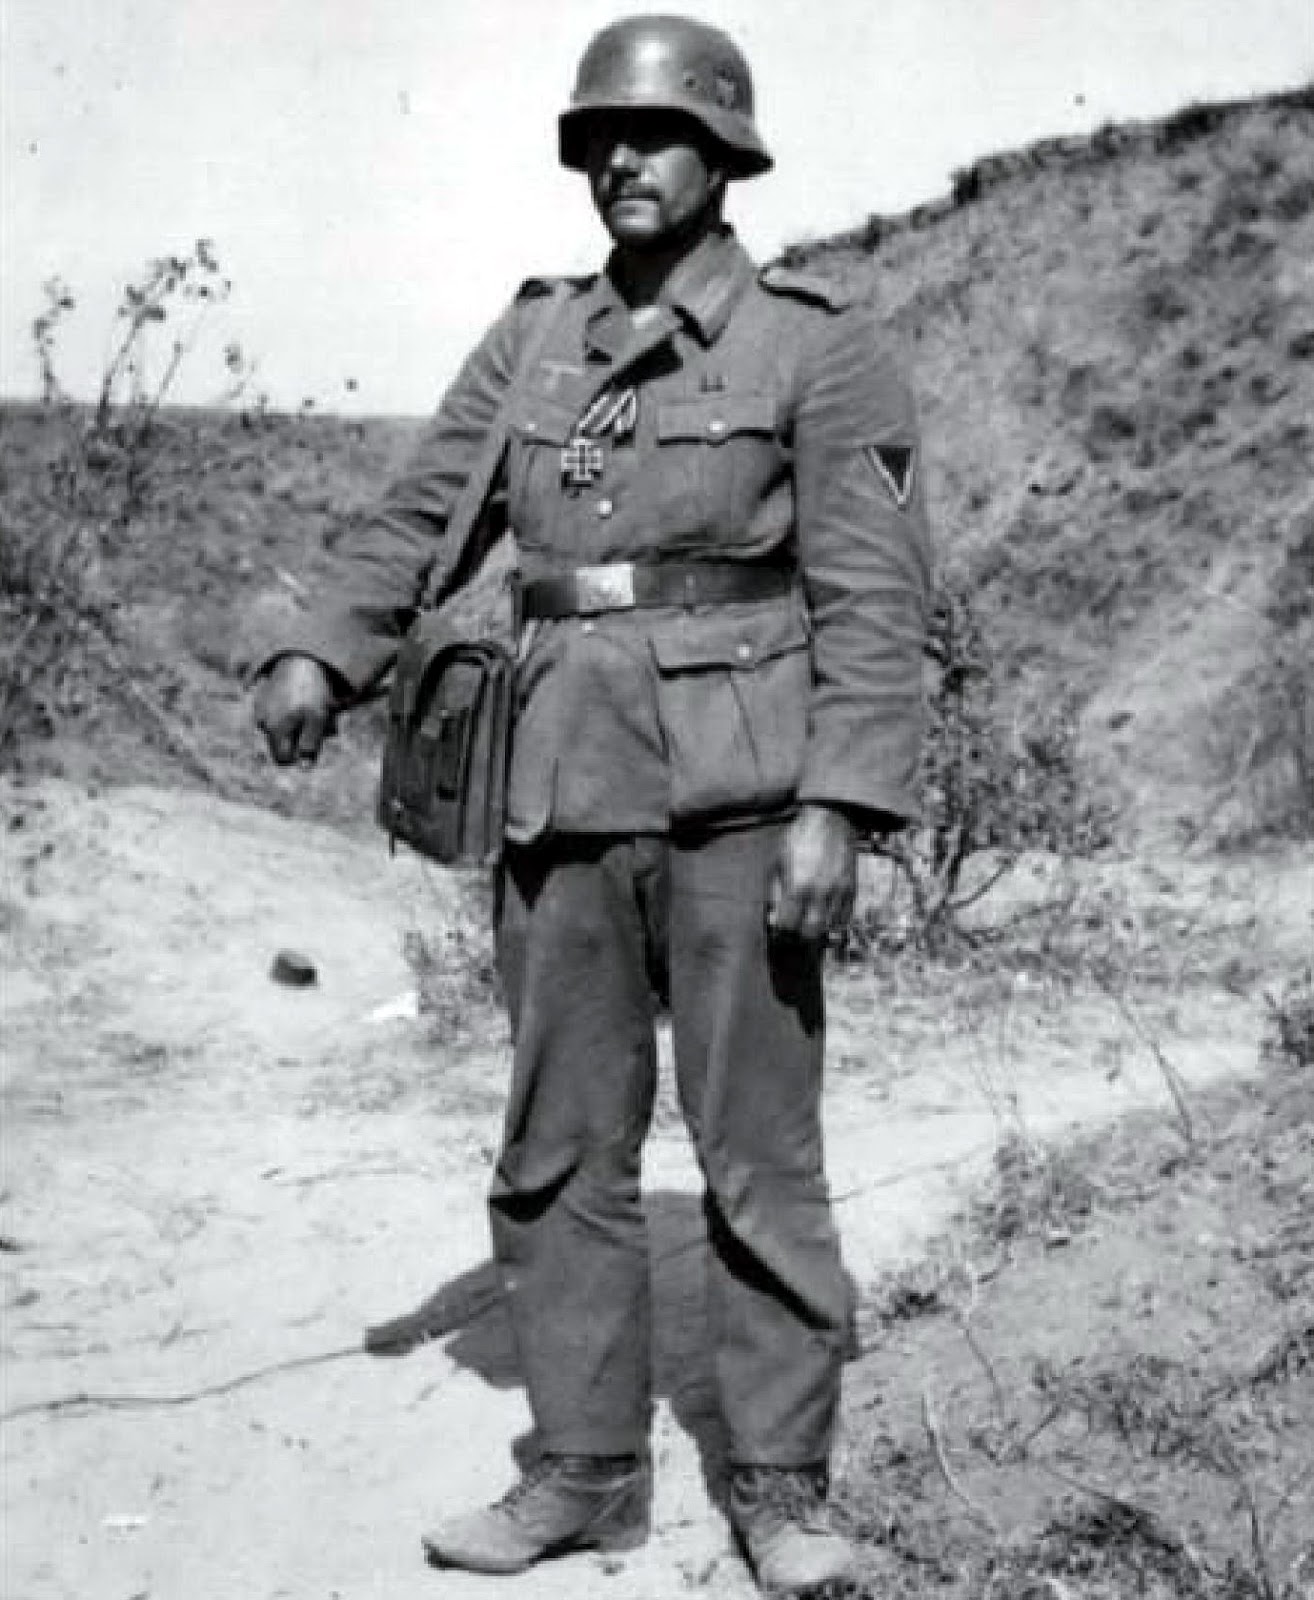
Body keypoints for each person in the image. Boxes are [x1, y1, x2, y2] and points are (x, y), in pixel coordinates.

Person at [254, 14, 931, 1594]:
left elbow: (871, 593)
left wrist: (840, 804)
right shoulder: (536, 336)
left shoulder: (816, 344)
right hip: (559, 785)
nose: (621, 160)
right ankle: (582, 1472)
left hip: (745, 796)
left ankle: (781, 1485)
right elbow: (422, 513)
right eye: (596, 140)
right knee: (557, 1143)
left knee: (756, 1153)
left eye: (655, 136)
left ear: (726, 156)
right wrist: (319, 652)